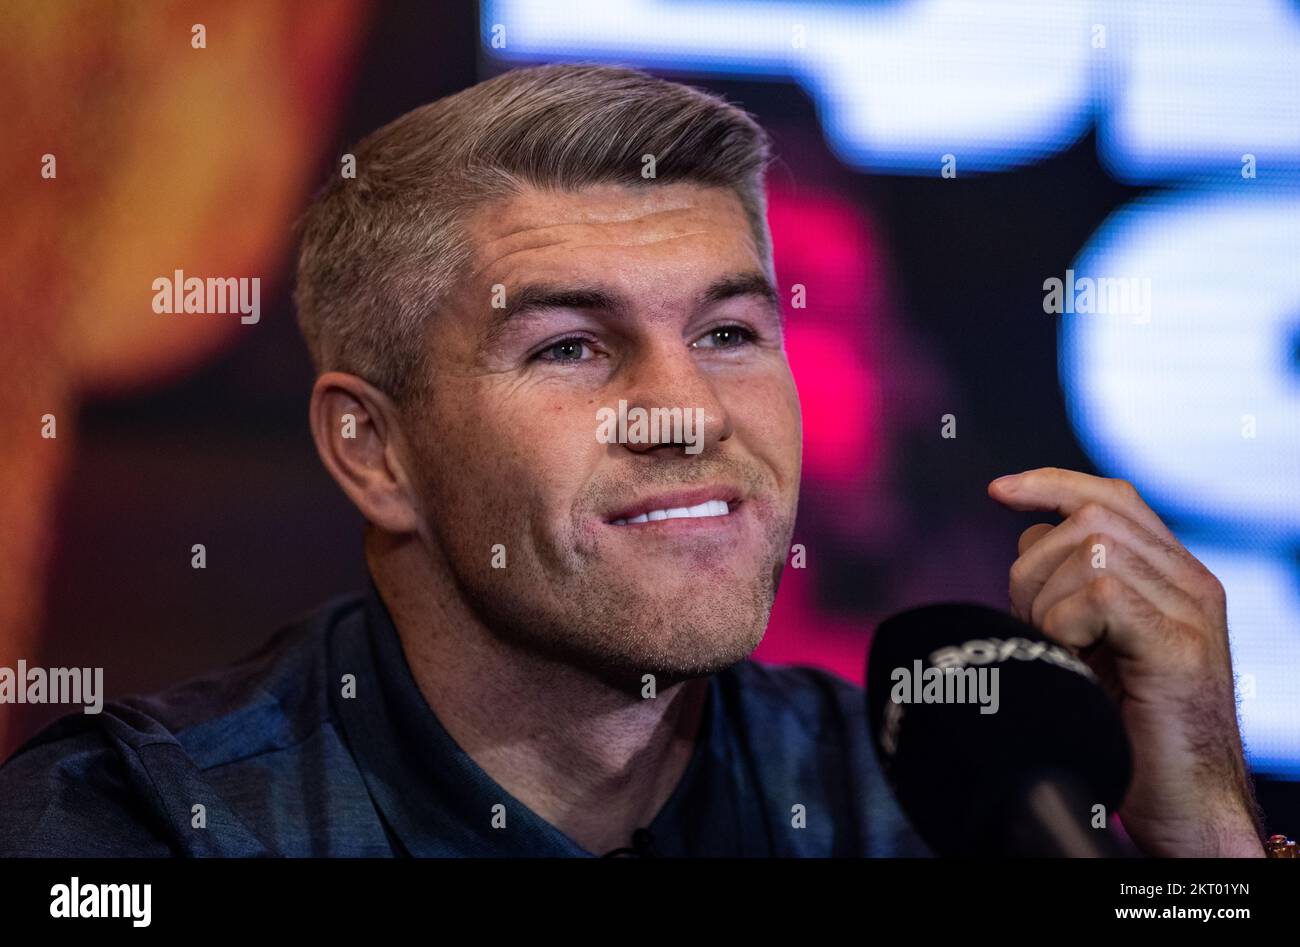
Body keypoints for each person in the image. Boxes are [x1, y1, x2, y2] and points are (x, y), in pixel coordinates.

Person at [0, 64, 1265, 857]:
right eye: (568, 348)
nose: (687, 412)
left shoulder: (930, 785)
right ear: (370, 447)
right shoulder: (130, 832)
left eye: (727, 331)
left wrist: (1201, 828)